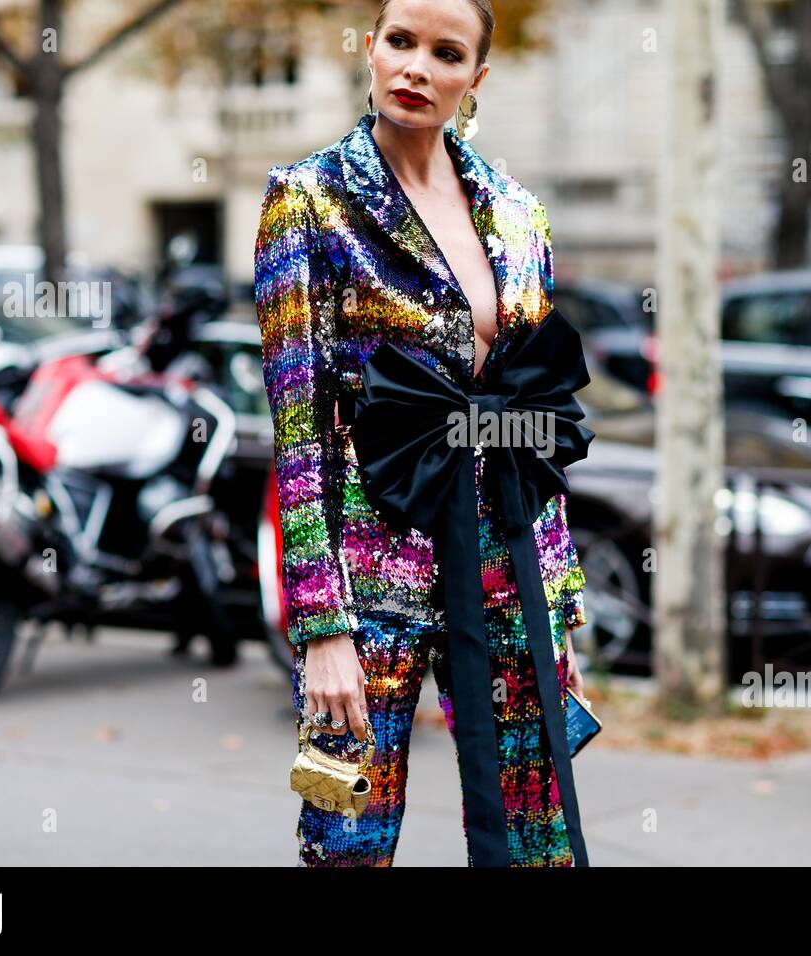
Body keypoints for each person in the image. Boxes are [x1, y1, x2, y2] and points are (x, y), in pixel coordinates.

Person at [254, 0, 591, 867]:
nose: (416, 68)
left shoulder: (519, 212)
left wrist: (561, 610)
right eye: (400, 42)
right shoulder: (309, 200)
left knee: (534, 840)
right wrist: (320, 626)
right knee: (343, 838)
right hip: (370, 575)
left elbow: (533, 419)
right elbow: (300, 432)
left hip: (510, 565)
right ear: (370, 49)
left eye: (445, 53)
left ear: (473, 80)